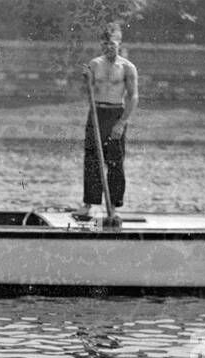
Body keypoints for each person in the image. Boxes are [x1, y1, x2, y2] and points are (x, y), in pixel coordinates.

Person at [77, 23, 138, 218]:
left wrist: (121, 123)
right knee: (92, 159)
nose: (109, 47)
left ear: (119, 43)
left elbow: (133, 97)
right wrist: (85, 80)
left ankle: (112, 208)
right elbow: (87, 91)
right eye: (105, 44)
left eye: (112, 43)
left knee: (115, 161)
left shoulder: (127, 67)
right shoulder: (94, 64)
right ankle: (88, 205)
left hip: (115, 114)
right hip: (96, 114)